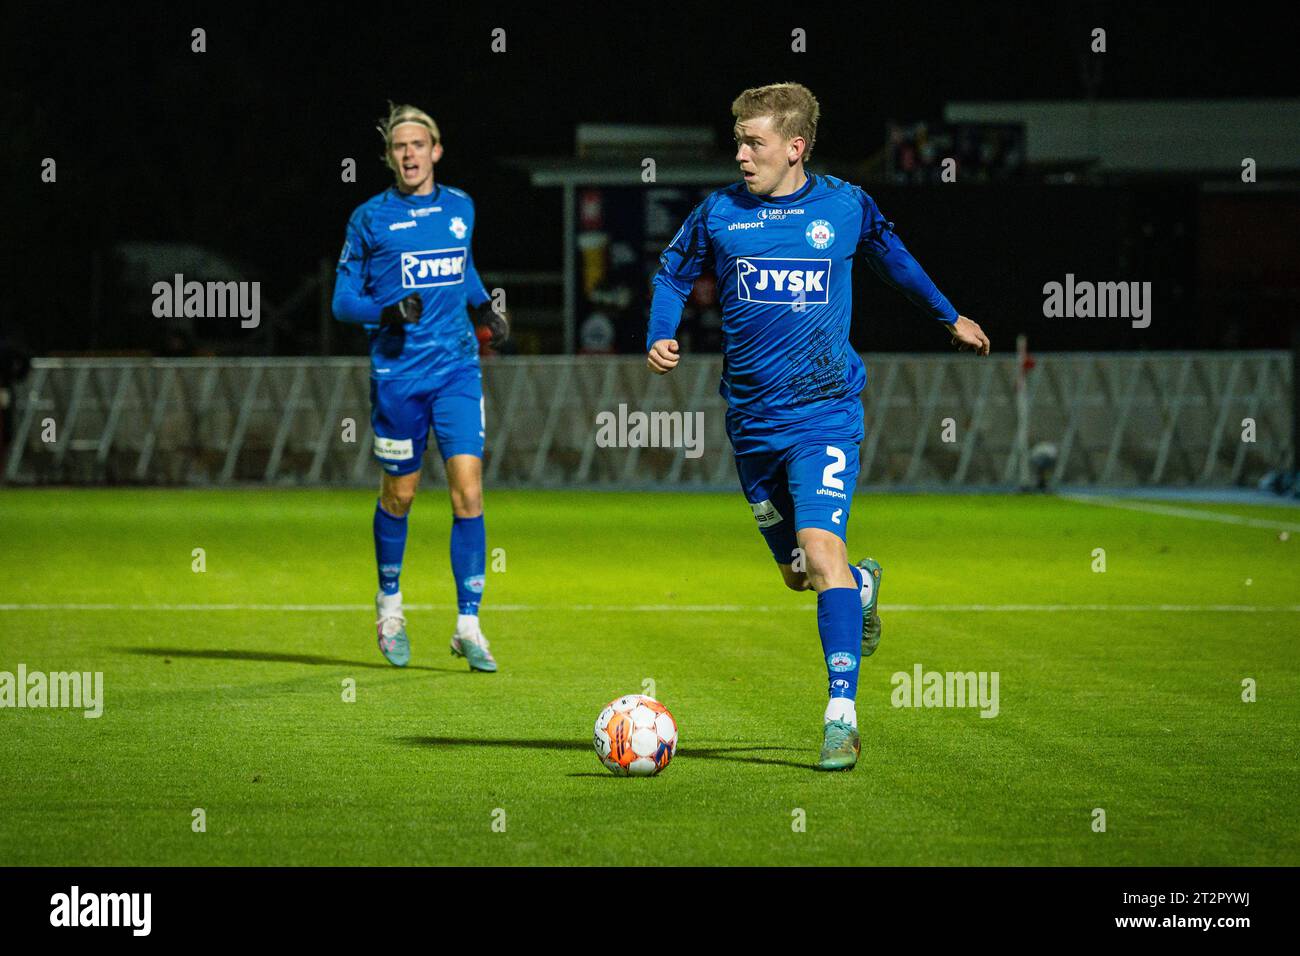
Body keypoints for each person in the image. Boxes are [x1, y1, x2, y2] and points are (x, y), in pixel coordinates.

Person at [646, 83, 990, 769]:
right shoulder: (719, 214)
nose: (741, 154)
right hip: (750, 422)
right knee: (797, 573)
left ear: (795, 147)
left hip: (825, 412)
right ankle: (859, 587)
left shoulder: (843, 205)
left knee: (819, 546)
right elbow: (672, 274)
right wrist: (660, 332)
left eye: (755, 142)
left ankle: (841, 718)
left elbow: (895, 259)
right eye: (739, 140)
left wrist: (949, 316)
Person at [332, 103, 509, 673]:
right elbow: (341, 301)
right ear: (389, 158)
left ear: (435, 150)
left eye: (418, 144)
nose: (409, 154)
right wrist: (387, 310)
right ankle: (389, 609)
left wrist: (484, 307)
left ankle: (468, 625)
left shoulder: (462, 207)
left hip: (457, 370)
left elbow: (463, 265)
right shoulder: (369, 220)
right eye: (398, 147)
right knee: (400, 496)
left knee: (469, 493)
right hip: (398, 377)